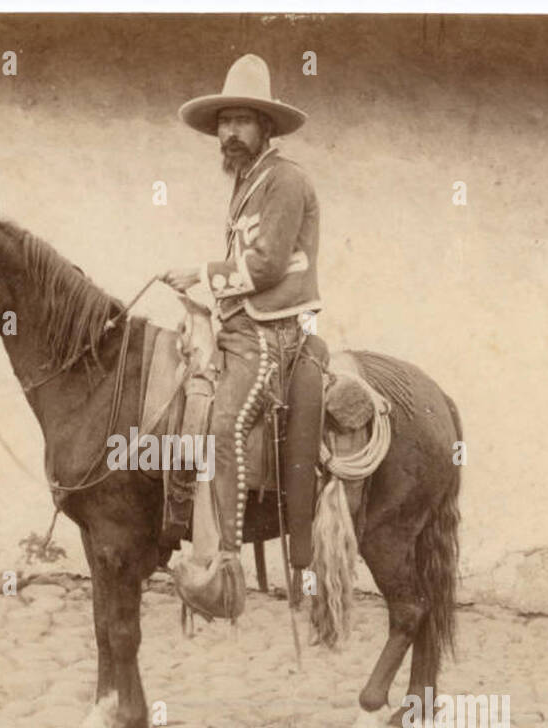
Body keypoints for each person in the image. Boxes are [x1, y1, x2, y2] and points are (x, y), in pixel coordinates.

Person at [162, 54, 323, 620]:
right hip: (240, 324)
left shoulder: (285, 180)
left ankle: (225, 572)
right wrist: (203, 300)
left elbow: (269, 264)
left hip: (272, 333)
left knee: (227, 422)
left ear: (266, 127)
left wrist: (201, 274)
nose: (229, 132)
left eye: (241, 121)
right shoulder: (246, 184)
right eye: (224, 121)